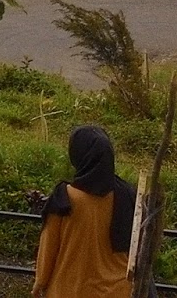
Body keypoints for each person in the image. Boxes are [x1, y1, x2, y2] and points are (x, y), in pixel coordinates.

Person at [33, 125, 138, 298]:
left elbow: (48, 247)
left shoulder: (65, 198)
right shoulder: (126, 194)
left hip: (70, 289)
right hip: (118, 291)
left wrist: (40, 282)